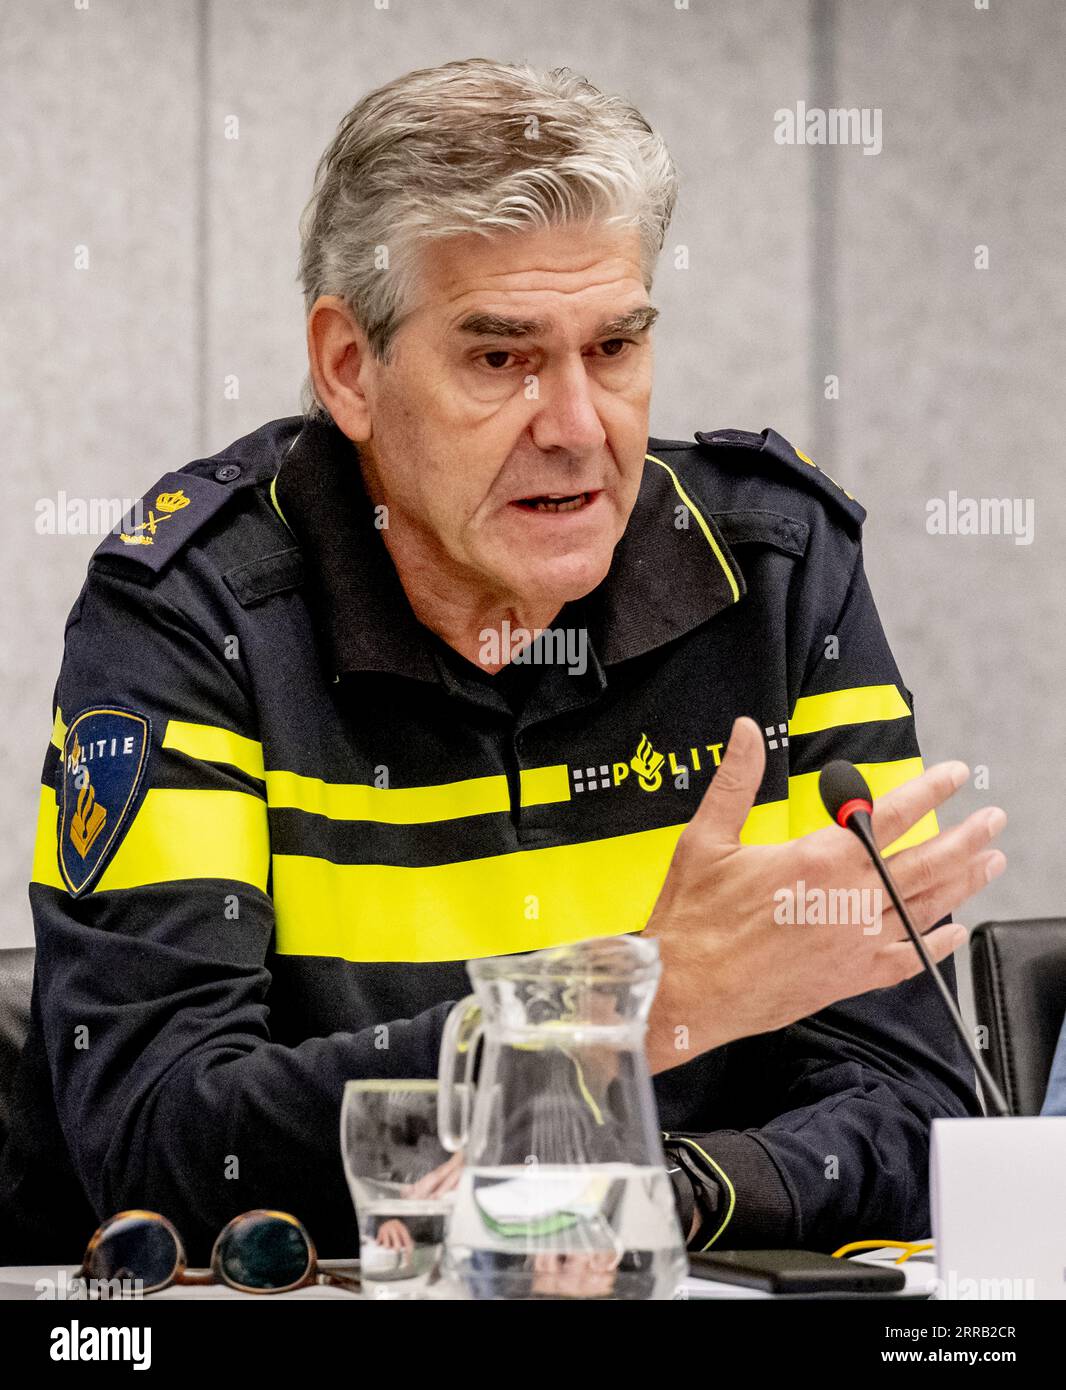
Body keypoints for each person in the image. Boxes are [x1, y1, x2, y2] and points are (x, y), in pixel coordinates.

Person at [0, 57, 1006, 1268]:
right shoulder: (198, 613)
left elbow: (927, 1101)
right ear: (347, 369)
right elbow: (160, 1141)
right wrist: (622, 1018)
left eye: (616, 347)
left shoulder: (779, 577)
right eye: (500, 358)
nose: (578, 426)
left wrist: (663, 1195)